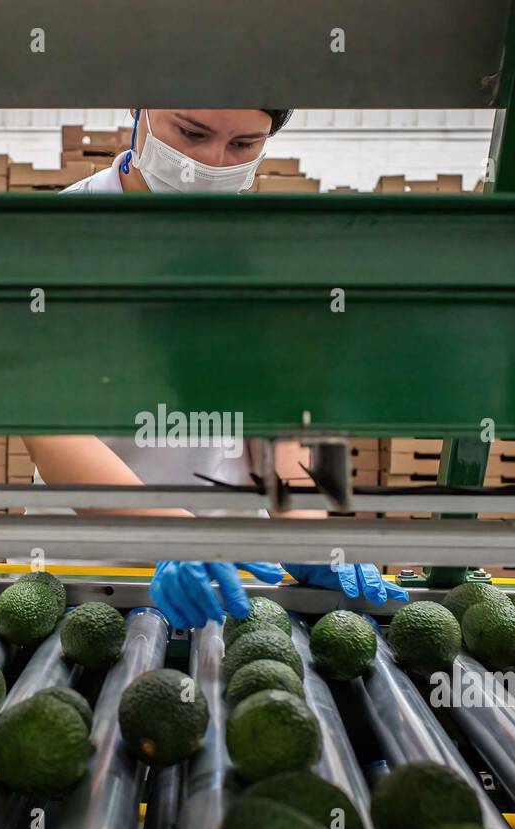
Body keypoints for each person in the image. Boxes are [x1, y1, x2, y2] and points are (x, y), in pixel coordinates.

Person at [24, 109, 408, 629]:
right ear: (139, 111)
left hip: (234, 569)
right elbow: (52, 434)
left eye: (244, 143)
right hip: (86, 572)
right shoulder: (54, 237)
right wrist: (173, 537)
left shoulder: (263, 252)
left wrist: (309, 530)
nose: (210, 162)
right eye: (192, 133)